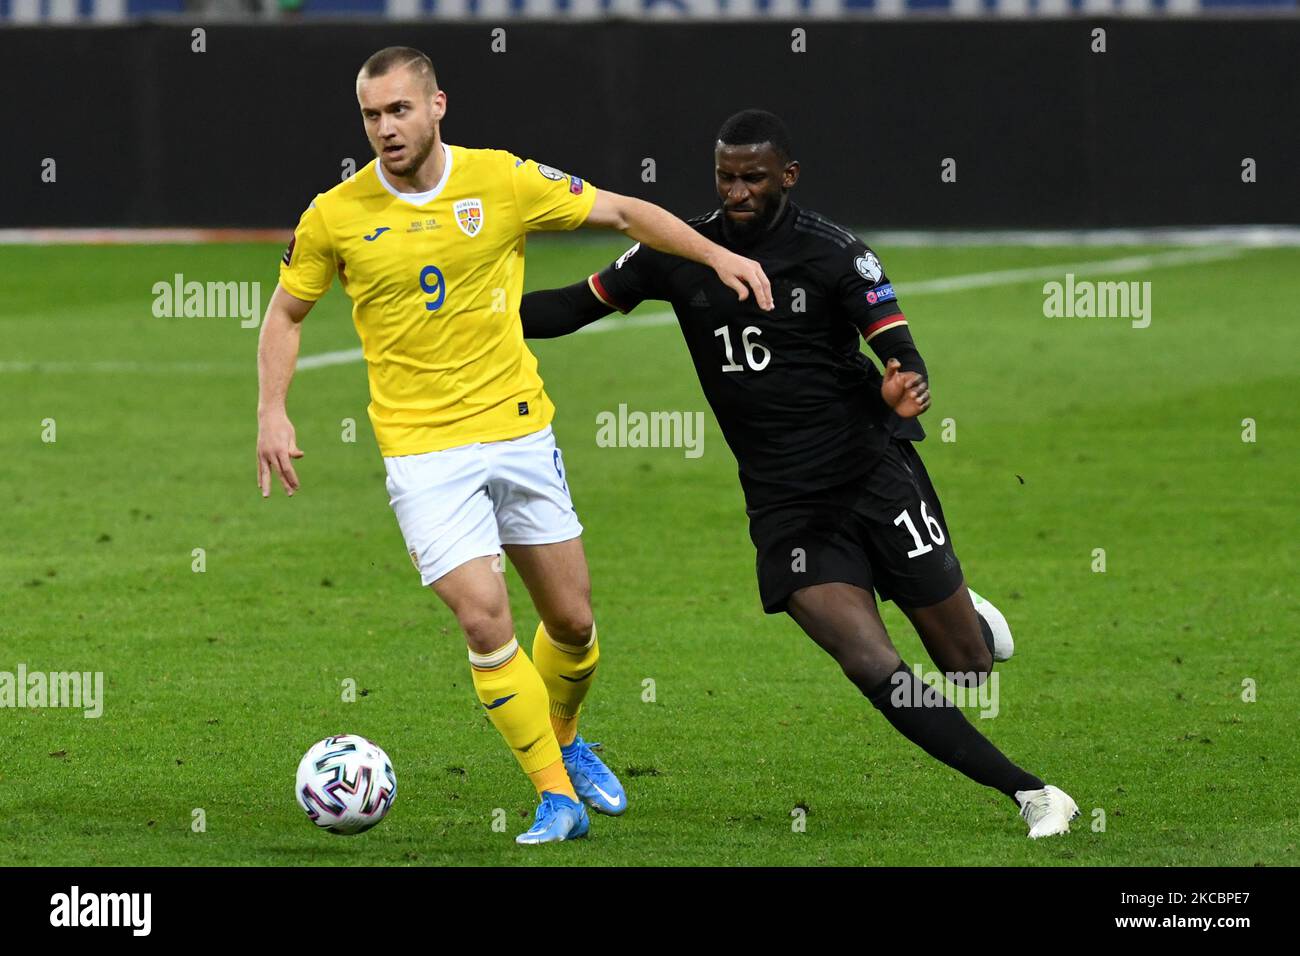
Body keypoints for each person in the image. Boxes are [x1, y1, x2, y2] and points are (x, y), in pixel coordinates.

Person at [255, 50, 773, 845]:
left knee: (572, 624)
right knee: (484, 619)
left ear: (437, 107)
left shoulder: (500, 180)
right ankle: (555, 794)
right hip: (422, 453)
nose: (385, 128)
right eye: (371, 115)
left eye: (399, 110)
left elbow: (627, 214)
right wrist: (272, 410)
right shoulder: (336, 213)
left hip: (520, 429)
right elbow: (287, 314)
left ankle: (566, 734)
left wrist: (721, 255)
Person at [519, 109, 1079, 838]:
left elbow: (901, 351)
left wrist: (902, 385)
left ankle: (969, 620)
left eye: (753, 177)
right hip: (787, 507)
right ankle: (1033, 794)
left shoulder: (835, 254)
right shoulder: (678, 251)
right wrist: (471, 311)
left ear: (788, 176)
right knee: (869, 662)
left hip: (872, 475)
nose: (737, 191)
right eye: (726, 176)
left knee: (967, 666)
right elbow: (570, 307)